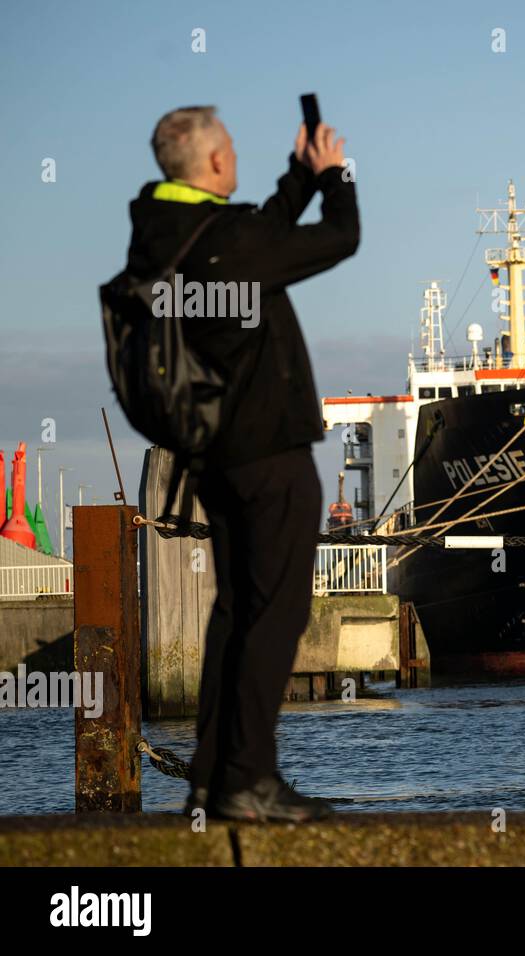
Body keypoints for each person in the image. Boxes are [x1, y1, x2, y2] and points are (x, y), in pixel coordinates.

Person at [126, 105, 359, 821]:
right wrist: (335, 176)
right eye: (229, 149)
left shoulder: (167, 233)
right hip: (270, 454)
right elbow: (340, 237)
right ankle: (249, 778)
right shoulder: (230, 240)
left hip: (213, 457)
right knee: (276, 615)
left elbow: (260, 232)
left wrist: (299, 175)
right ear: (215, 164)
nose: (235, 159)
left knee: (234, 612)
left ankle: (210, 776)